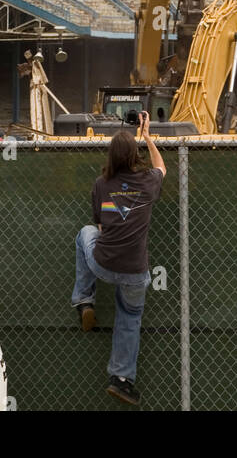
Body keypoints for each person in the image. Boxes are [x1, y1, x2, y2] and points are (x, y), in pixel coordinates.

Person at [71, 109, 166, 405]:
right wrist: (148, 137)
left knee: (85, 233)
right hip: (135, 271)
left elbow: (100, 226)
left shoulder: (101, 184)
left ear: (110, 156)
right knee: (130, 317)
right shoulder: (149, 182)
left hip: (103, 264)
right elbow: (162, 167)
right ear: (134, 155)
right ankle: (122, 380)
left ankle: (84, 300)